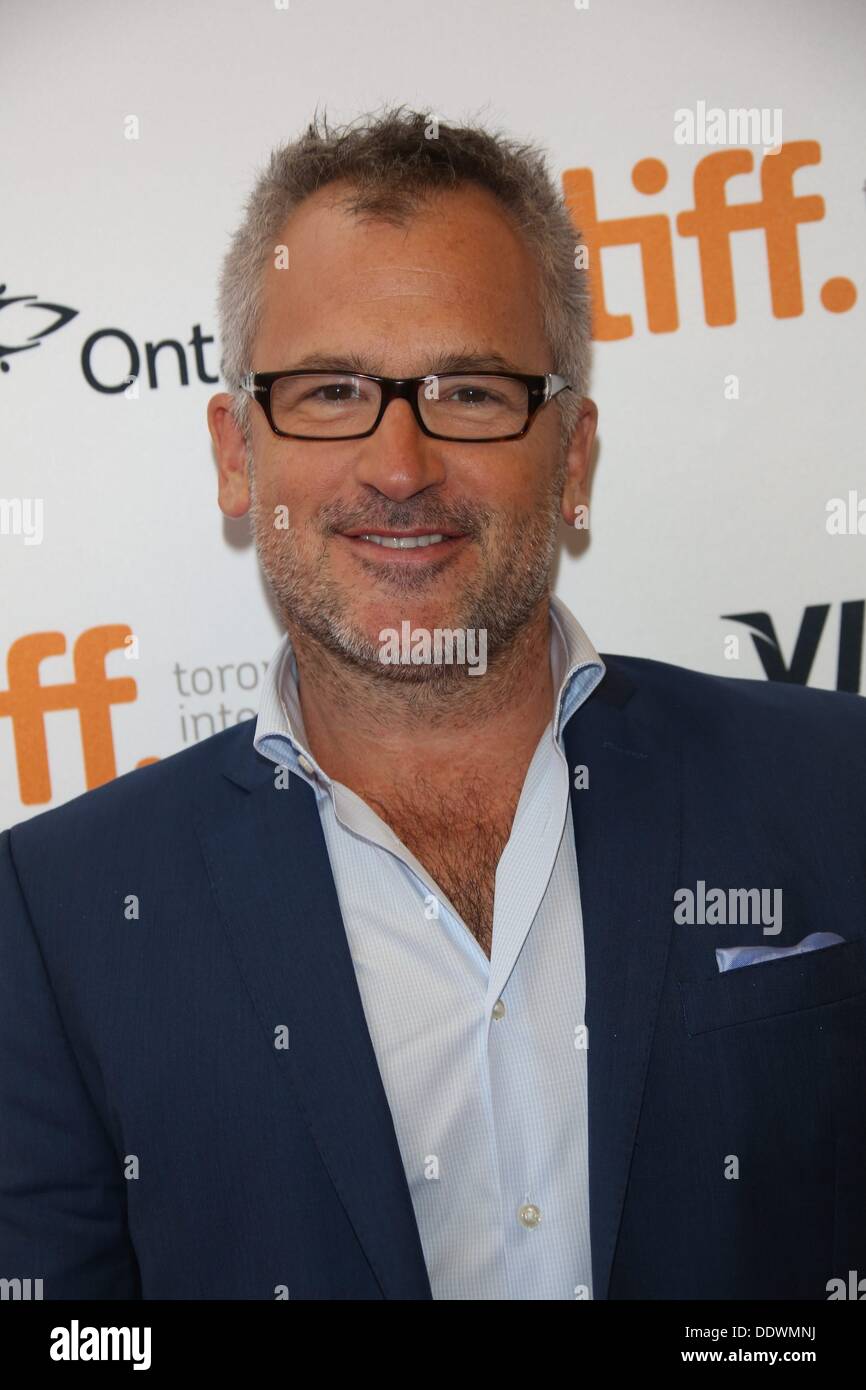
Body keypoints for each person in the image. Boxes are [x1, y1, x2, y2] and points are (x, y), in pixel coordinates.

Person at [1, 105, 865, 1302]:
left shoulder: (834, 786)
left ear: (569, 457)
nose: (399, 466)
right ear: (236, 455)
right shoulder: (57, 915)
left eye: (467, 390)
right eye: (331, 388)